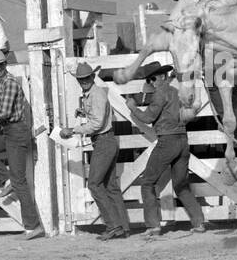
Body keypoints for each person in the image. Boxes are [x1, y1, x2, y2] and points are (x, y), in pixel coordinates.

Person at [127, 61, 206, 237]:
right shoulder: (176, 92)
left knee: (147, 182)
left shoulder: (160, 93)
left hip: (167, 141)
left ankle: (153, 226)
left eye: (152, 79)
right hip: (182, 140)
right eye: (149, 79)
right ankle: (199, 222)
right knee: (181, 185)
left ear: (161, 77)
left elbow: (148, 117)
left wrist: (133, 108)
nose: (151, 82)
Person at [0, 51, 45, 240]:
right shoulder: (0, 83)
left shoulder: (10, 83)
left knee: (20, 180)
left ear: (5, 65)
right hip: (8, 131)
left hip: (16, 131)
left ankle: (33, 226)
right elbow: (1, 100)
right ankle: (7, 179)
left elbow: (4, 111)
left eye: (0, 65)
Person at [62, 62, 129, 240]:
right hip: (107, 140)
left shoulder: (96, 95)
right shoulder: (94, 93)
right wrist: (84, 112)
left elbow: (97, 124)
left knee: (94, 184)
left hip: (103, 142)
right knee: (110, 186)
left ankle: (113, 226)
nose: (83, 81)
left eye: (86, 78)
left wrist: (73, 129)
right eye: (81, 79)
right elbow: (99, 118)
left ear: (92, 77)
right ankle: (122, 226)